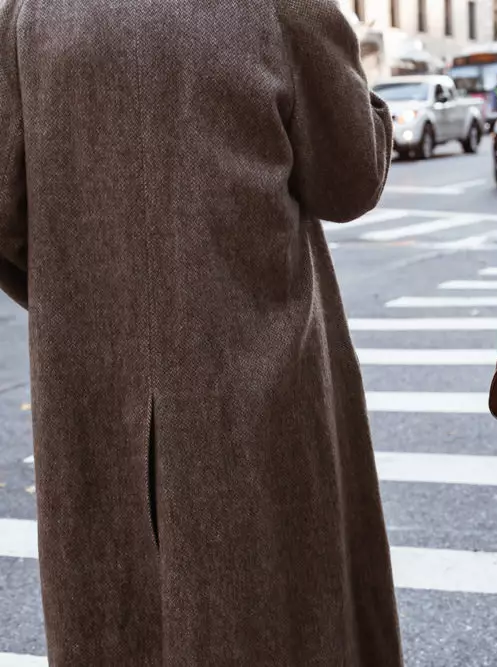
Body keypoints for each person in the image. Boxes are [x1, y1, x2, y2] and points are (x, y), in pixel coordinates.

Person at [0, 0, 401, 665]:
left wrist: (84, 305)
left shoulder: (30, 13)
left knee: (115, 617)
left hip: (94, 393)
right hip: (254, 382)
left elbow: (6, 214)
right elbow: (350, 178)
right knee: (274, 617)